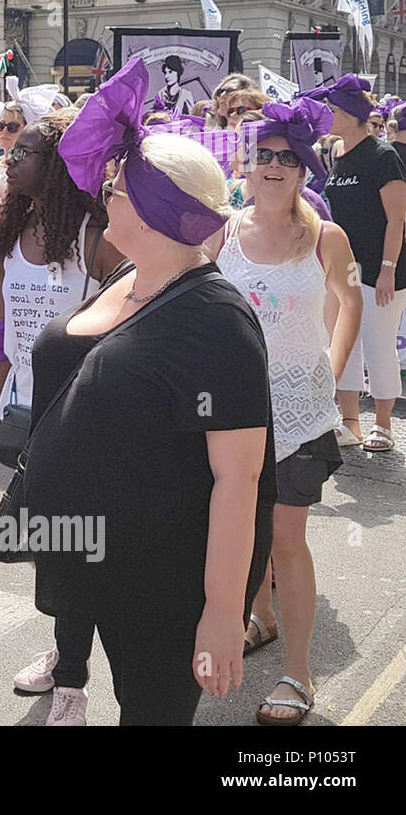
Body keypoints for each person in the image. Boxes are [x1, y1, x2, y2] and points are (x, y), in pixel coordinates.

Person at [28, 56, 275, 726]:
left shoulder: (216, 320)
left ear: (157, 209)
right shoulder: (130, 277)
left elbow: (240, 478)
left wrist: (224, 612)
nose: (102, 193)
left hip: (166, 583)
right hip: (102, 560)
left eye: (116, 187)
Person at [0, 108, 124, 726]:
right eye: (11, 150)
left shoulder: (92, 231)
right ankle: (67, 652)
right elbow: (12, 331)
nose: (10, 158)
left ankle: (72, 685)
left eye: (24, 151)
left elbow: (134, 307)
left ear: (55, 164)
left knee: (74, 546)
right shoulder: (16, 227)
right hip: (26, 412)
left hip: (81, 412)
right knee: (52, 546)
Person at [213, 97, 362, 726]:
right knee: (241, 532)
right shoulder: (220, 231)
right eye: (263, 155)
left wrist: (330, 370)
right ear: (247, 165)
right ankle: (263, 619)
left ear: (303, 170)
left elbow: (349, 302)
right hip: (235, 410)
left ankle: (298, 674)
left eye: (286, 158)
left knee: (286, 537)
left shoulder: (327, 237)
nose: (273, 166)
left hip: (299, 410)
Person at [315, 75, 406, 452]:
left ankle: (382, 424)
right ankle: (350, 422)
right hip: (341, 271)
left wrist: (388, 268)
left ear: (352, 115)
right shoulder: (334, 153)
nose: (326, 116)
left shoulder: (383, 156)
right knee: (344, 346)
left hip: (380, 268)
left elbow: (397, 219)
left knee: (379, 346)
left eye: (332, 111)